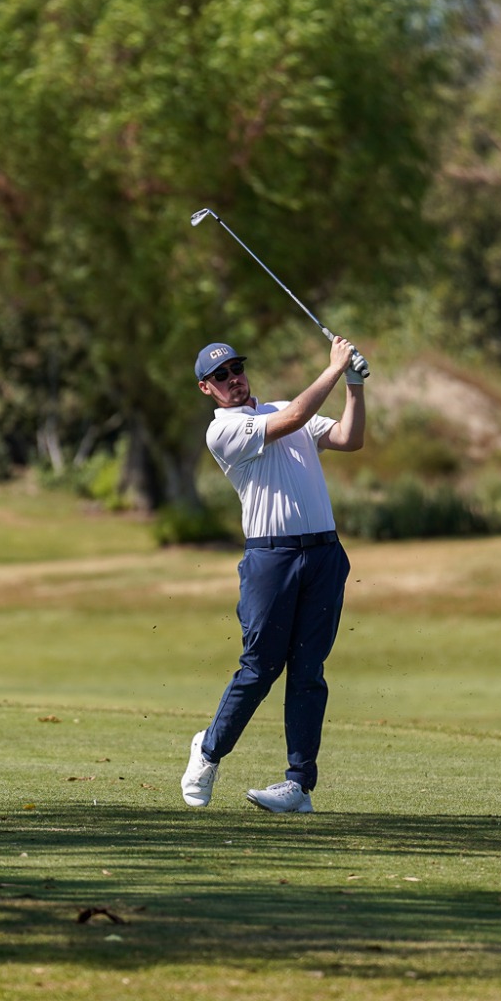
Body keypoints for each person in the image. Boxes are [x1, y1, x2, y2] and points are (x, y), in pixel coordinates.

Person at [180, 334, 368, 813]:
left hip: (324, 555)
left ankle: (298, 786)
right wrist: (333, 368)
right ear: (206, 388)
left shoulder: (282, 407)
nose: (233, 379)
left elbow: (349, 439)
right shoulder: (223, 431)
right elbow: (296, 418)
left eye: (236, 369)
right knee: (260, 667)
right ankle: (208, 751)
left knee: (309, 671)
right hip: (271, 558)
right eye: (220, 376)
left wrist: (353, 384)